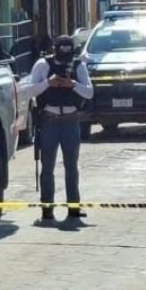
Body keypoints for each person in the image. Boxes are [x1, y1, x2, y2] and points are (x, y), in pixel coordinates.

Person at [25, 35, 94, 223]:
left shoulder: (79, 65)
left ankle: (74, 207)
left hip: (71, 119)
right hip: (49, 119)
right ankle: (47, 208)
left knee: (72, 166)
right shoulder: (43, 64)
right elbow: (29, 91)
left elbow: (89, 92)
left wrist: (72, 84)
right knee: (47, 166)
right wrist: (49, 82)